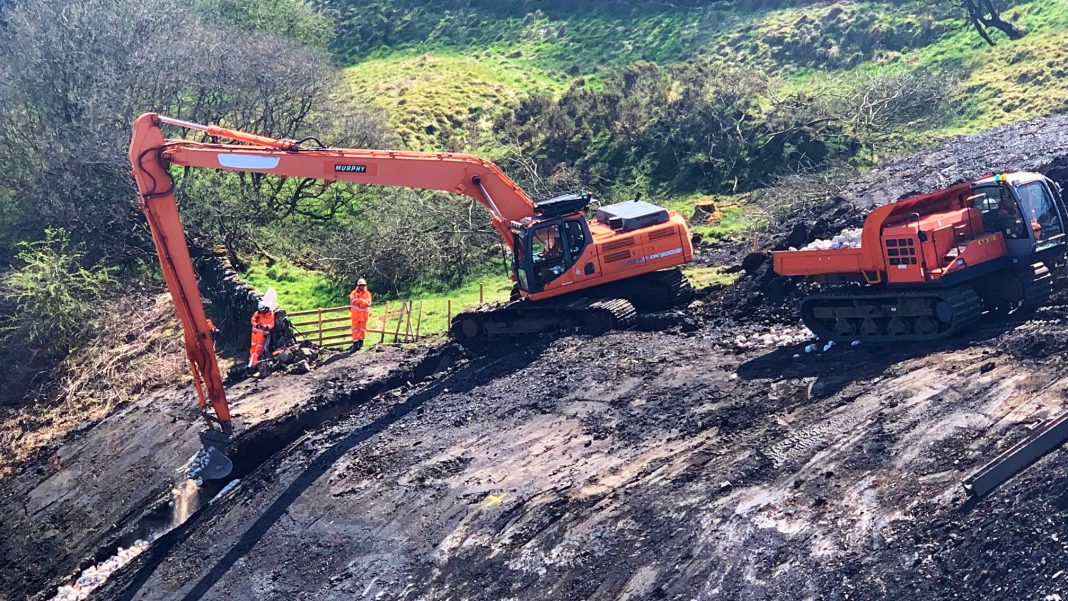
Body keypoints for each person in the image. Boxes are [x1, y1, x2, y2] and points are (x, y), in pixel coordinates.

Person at [248, 302, 275, 369]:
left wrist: (266, 327)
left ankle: (255, 364)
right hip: (255, 333)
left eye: (262, 310)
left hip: (262, 335)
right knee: (253, 348)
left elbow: (272, 324)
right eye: (260, 310)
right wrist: (256, 325)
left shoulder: (270, 314)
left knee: (258, 349)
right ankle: (251, 362)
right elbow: (252, 320)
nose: (262, 311)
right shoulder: (257, 313)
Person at [349, 278, 373, 352]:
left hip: (363, 315)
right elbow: (353, 301)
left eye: (364, 285)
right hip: (355, 316)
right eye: (361, 285)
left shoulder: (367, 294)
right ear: (358, 286)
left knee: (362, 330)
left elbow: (368, 303)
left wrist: (360, 301)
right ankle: (355, 345)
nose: (362, 287)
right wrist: (361, 301)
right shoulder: (353, 293)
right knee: (355, 330)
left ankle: (361, 345)